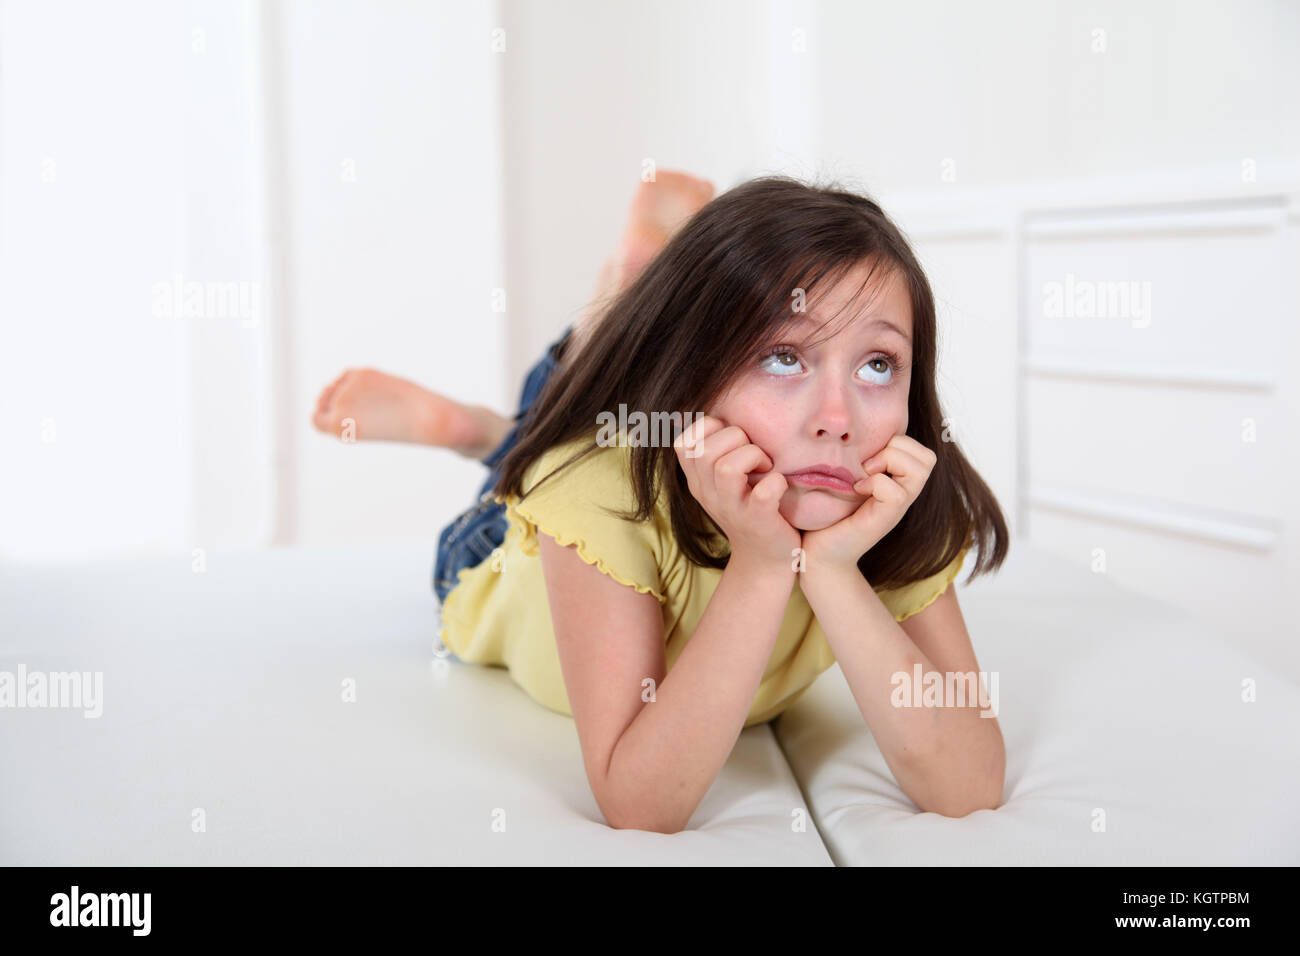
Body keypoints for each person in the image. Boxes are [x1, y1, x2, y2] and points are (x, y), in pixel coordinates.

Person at [313, 172, 1010, 832]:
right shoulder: (592, 492)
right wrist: (765, 565)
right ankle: (494, 430)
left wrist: (830, 568)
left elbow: (969, 785)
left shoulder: (892, 495)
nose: (839, 418)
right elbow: (640, 803)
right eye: (784, 357)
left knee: (588, 416)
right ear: (692, 380)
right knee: (569, 431)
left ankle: (542, 383)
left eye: (878, 365)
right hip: (494, 548)